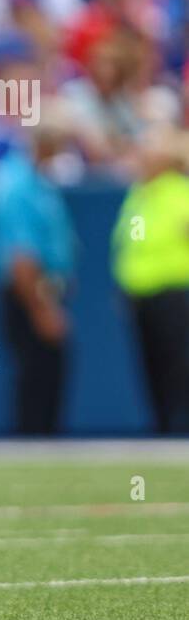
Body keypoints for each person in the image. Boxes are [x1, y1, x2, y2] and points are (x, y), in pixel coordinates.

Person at [0, 119, 78, 434]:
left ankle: (40, 442)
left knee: (46, 373)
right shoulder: (17, 184)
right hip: (30, 292)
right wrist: (42, 308)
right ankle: (34, 446)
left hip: (39, 290)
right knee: (37, 375)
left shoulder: (34, 179)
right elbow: (21, 257)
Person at [111, 126, 189, 433]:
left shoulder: (180, 192)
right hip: (141, 297)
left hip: (175, 294)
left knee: (180, 364)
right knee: (151, 364)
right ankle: (164, 426)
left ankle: (182, 426)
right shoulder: (139, 194)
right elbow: (128, 245)